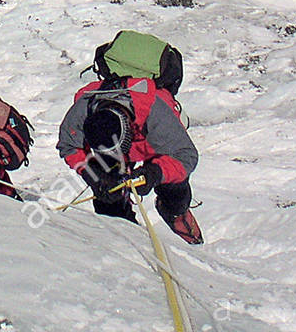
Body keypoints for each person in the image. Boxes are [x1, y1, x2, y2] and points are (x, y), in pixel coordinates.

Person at [57, 33, 203, 244]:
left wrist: (155, 173)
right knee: (107, 189)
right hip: (116, 141)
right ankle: (125, 236)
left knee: (174, 183)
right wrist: (91, 172)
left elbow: (186, 156)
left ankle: (174, 210)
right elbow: (69, 146)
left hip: (152, 141)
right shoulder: (83, 110)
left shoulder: (156, 112)